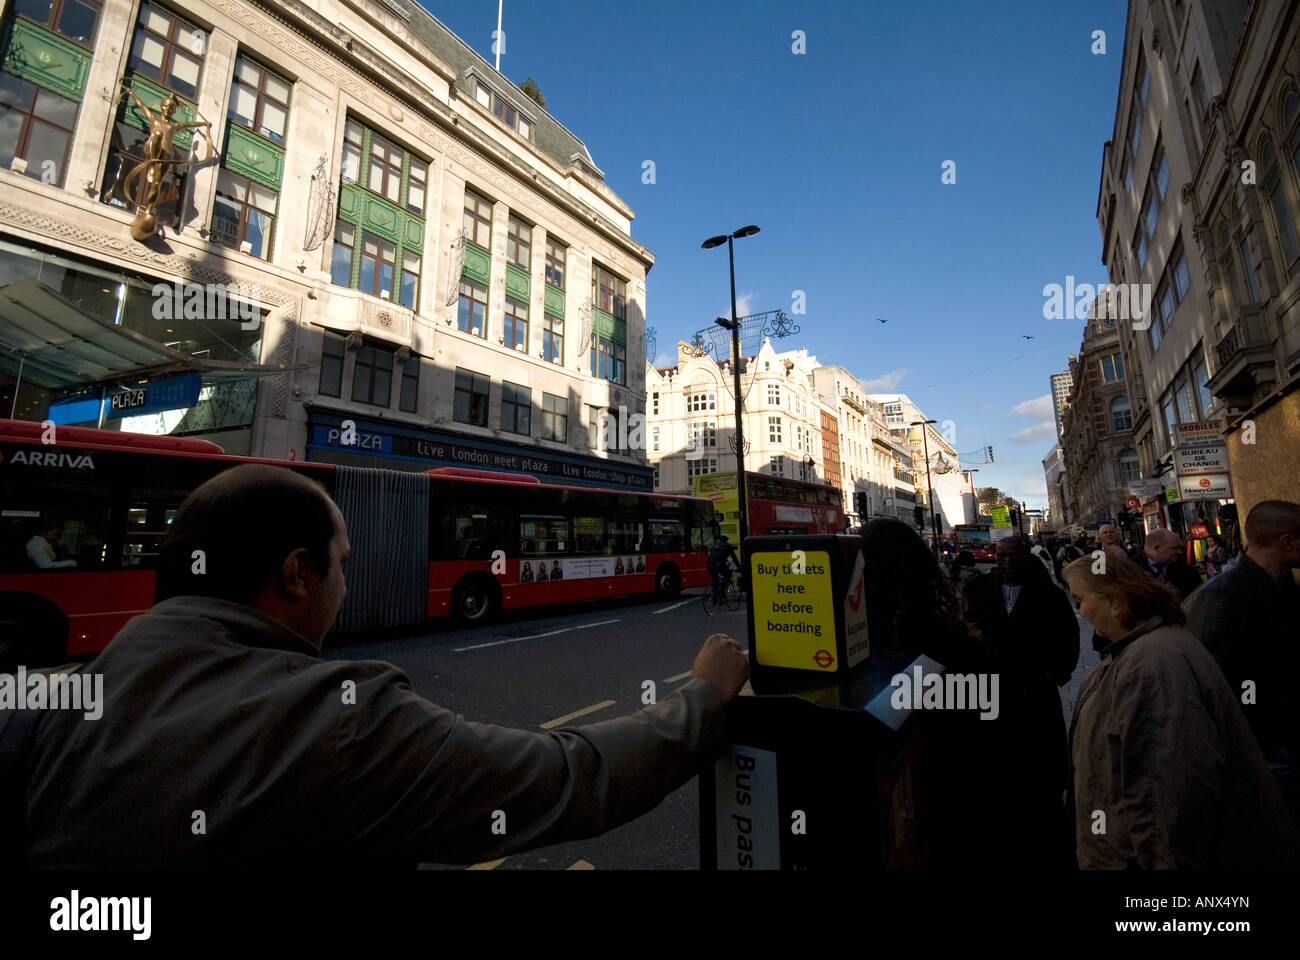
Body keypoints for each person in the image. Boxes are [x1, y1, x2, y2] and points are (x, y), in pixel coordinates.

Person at [18, 465, 748, 867]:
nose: (347, 586)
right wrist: (701, 699)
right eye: (341, 566)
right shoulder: (341, 721)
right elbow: (570, 781)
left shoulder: (51, 701)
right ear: (297, 574)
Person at [1062, 552, 1299, 868]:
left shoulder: (1153, 666)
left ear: (1114, 602)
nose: (1081, 611)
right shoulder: (1137, 655)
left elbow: (1166, 796)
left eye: (1081, 600)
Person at [961, 535, 1079, 868]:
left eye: (1012, 555)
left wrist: (1054, 674)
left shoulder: (1048, 594)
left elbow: (1067, 638)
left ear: (1024, 557)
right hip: (993, 688)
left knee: (1040, 765)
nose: (1006, 561)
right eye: (1000, 556)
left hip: (1034, 691)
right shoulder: (978, 589)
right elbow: (967, 627)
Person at [1184, 499, 1300, 825]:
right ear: (1287, 543)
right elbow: (1206, 687)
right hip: (1265, 756)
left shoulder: (1284, 589)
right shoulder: (1220, 599)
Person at [1139, 528, 1202, 600]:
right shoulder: (1131, 571)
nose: (1179, 552)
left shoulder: (1186, 571)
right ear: (1157, 548)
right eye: (1175, 548)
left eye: (1180, 548)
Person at [706, 534, 740, 603]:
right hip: (718, 564)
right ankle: (722, 595)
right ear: (727, 540)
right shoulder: (728, 546)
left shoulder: (715, 545)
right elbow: (734, 558)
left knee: (715, 580)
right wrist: (739, 568)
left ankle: (715, 597)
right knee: (727, 576)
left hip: (709, 564)